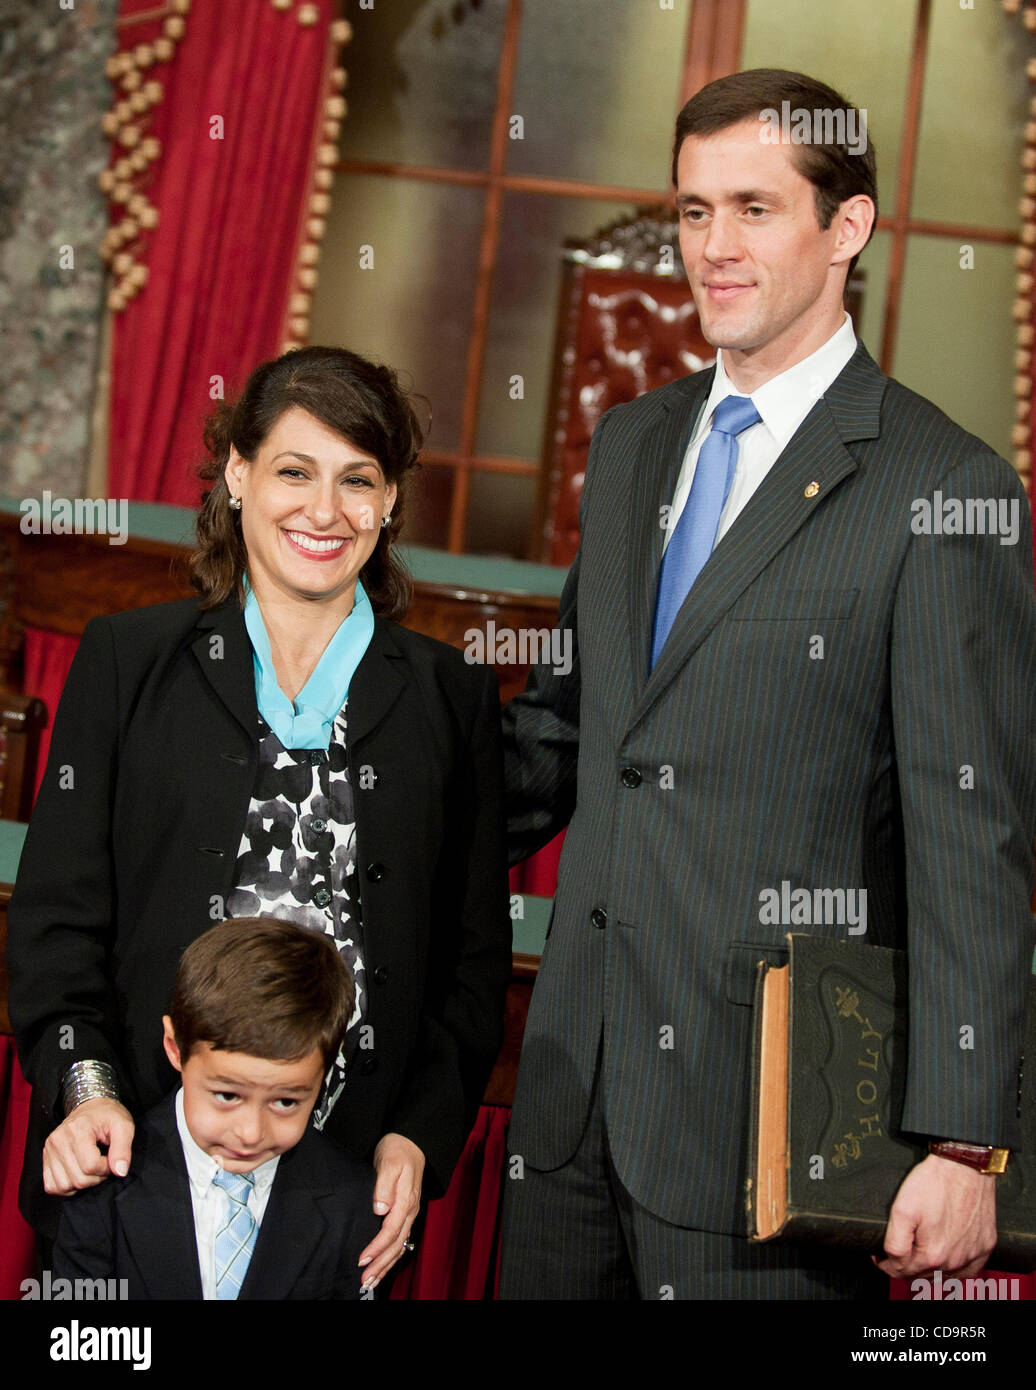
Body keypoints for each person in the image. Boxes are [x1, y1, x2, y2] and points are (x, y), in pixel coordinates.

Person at [498, 68, 1036, 1299]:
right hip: (570, 1103)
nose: (711, 249)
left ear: (845, 228)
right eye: (692, 211)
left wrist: (962, 1136)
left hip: (772, 1130)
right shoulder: (636, 443)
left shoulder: (941, 489)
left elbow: (974, 834)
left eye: (752, 209)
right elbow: (569, 735)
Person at [9, 345, 511, 1290]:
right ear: (238, 473)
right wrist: (87, 1091)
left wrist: (418, 1136)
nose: (324, 511)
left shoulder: (451, 699)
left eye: (357, 480)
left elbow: (471, 963)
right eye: (293, 471)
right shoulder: (128, 661)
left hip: (345, 1193)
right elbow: (56, 924)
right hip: (131, 1164)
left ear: (391, 500)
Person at [52, 917, 381, 1299]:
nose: (251, 1132)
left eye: (286, 1101)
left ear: (327, 1066)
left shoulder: (352, 1202)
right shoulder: (103, 1189)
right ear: (176, 1048)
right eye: (227, 1096)